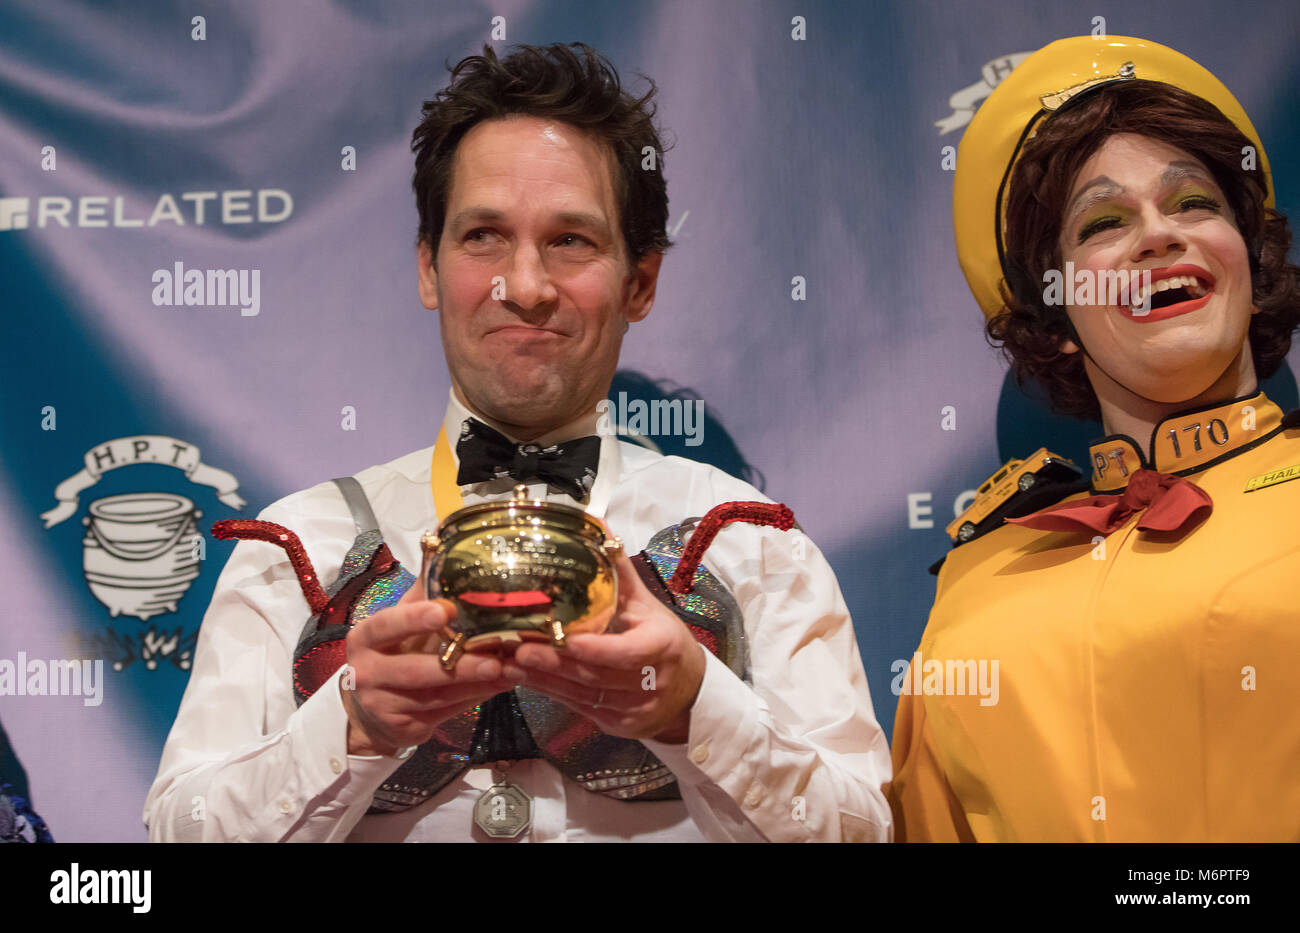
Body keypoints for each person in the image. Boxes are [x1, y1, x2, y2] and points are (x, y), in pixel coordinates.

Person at [144, 43, 891, 843]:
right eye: (484, 237)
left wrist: (693, 709)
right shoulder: (297, 544)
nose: (525, 286)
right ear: (429, 267)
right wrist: (354, 723)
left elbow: (864, 832)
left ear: (641, 281)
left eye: (571, 240)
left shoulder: (753, 542)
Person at [888, 35, 1300, 842]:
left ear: (1250, 266)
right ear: (1058, 320)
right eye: (1104, 222)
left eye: (1194, 203)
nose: (1158, 234)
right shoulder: (975, 575)